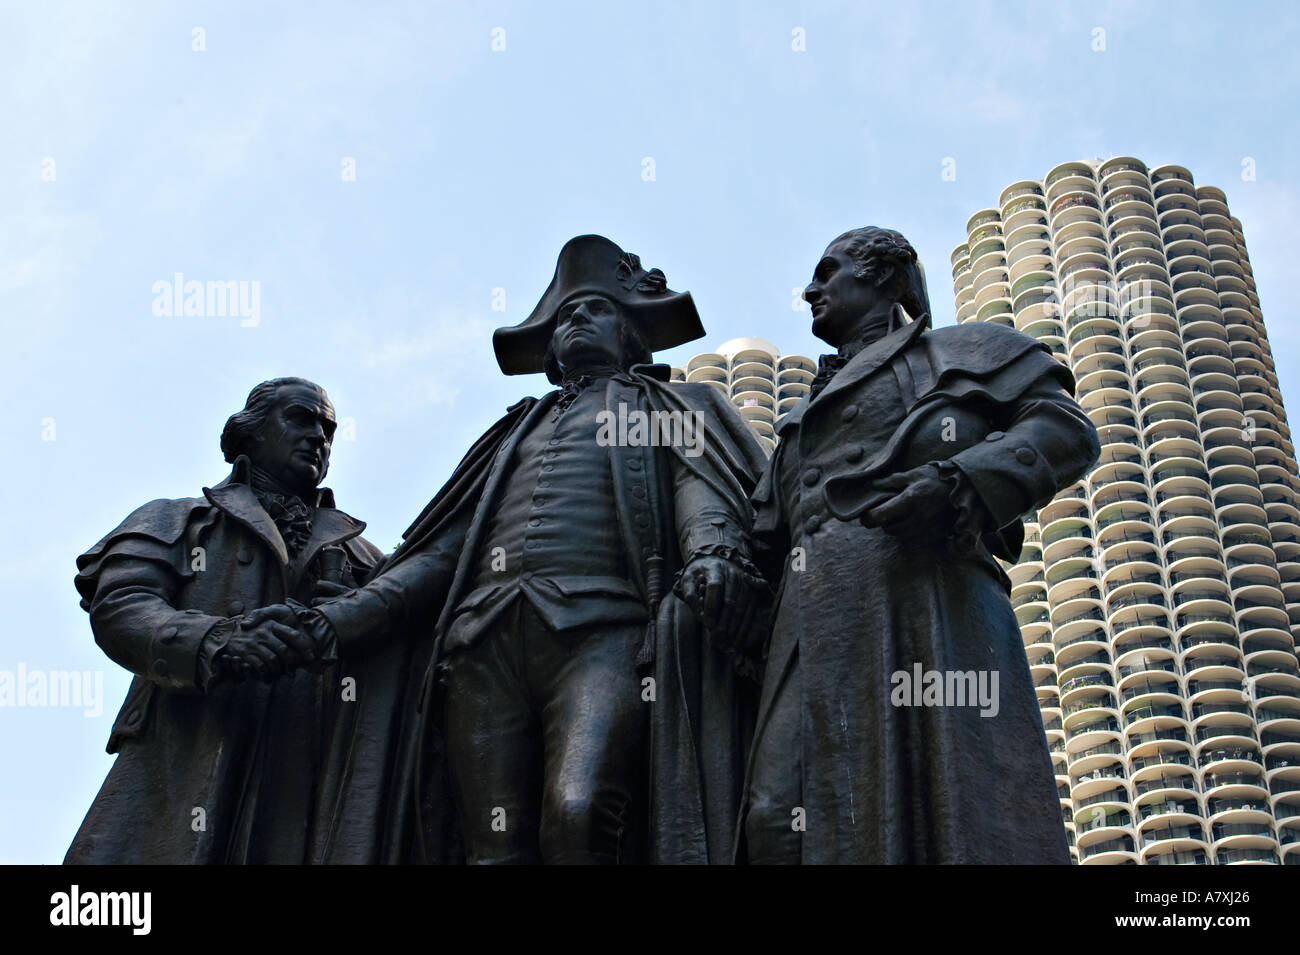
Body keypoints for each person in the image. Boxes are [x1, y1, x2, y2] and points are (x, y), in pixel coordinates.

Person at [301, 235, 769, 863]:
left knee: (579, 810)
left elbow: (703, 492)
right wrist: (335, 621)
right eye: (565, 316)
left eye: (595, 310)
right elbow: (440, 553)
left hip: (602, 633)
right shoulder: (509, 433)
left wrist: (714, 552)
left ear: (630, 331)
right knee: (491, 848)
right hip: (482, 643)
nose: (576, 321)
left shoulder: (672, 404)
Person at [738, 227, 1100, 864]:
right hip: (804, 624)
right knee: (775, 815)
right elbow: (762, 538)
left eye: (830, 272)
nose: (811, 289)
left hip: (916, 595)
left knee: (939, 805)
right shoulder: (796, 420)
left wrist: (963, 480)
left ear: (885, 276)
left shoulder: (965, 348)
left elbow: (1063, 430)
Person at [65, 378, 382, 863]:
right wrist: (214, 641)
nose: (319, 435)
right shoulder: (177, 520)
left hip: (309, 771)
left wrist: (357, 621)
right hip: (186, 751)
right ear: (250, 433)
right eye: (300, 418)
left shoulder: (366, 561)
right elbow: (123, 607)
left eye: (328, 428)